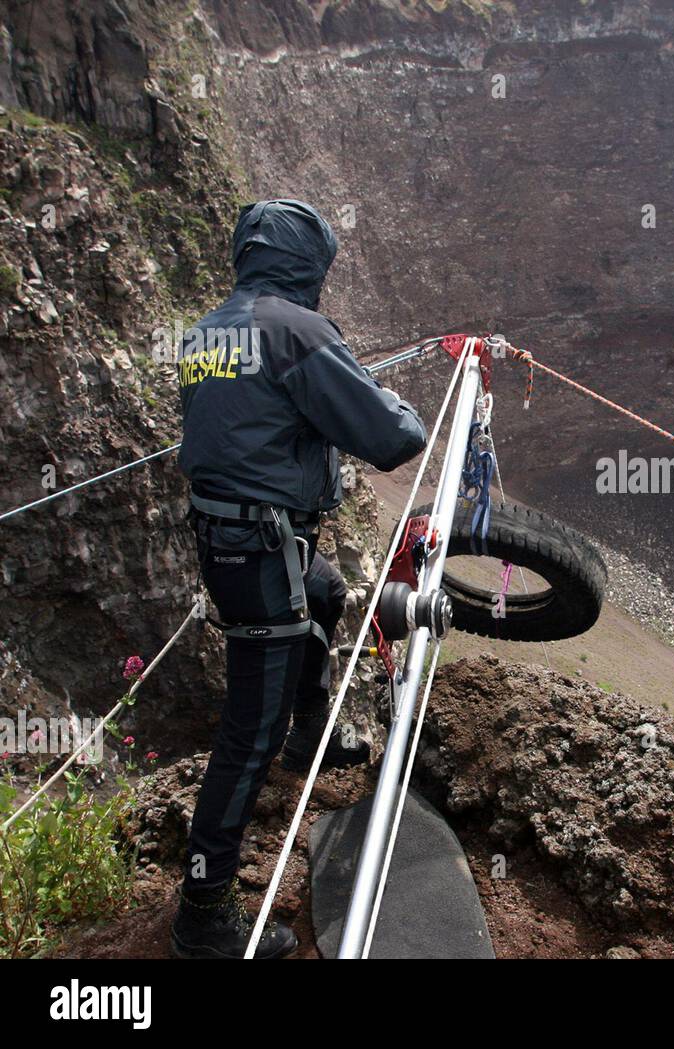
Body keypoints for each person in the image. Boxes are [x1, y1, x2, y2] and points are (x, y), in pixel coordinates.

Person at [171, 199, 427, 959]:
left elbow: (244, 418)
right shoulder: (299, 333)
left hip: (230, 543)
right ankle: (203, 915)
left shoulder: (205, 332)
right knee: (247, 732)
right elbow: (391, 437)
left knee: (323, 592)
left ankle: (311, 733)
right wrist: (398, 400)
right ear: (306, 263)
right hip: (260, 549)